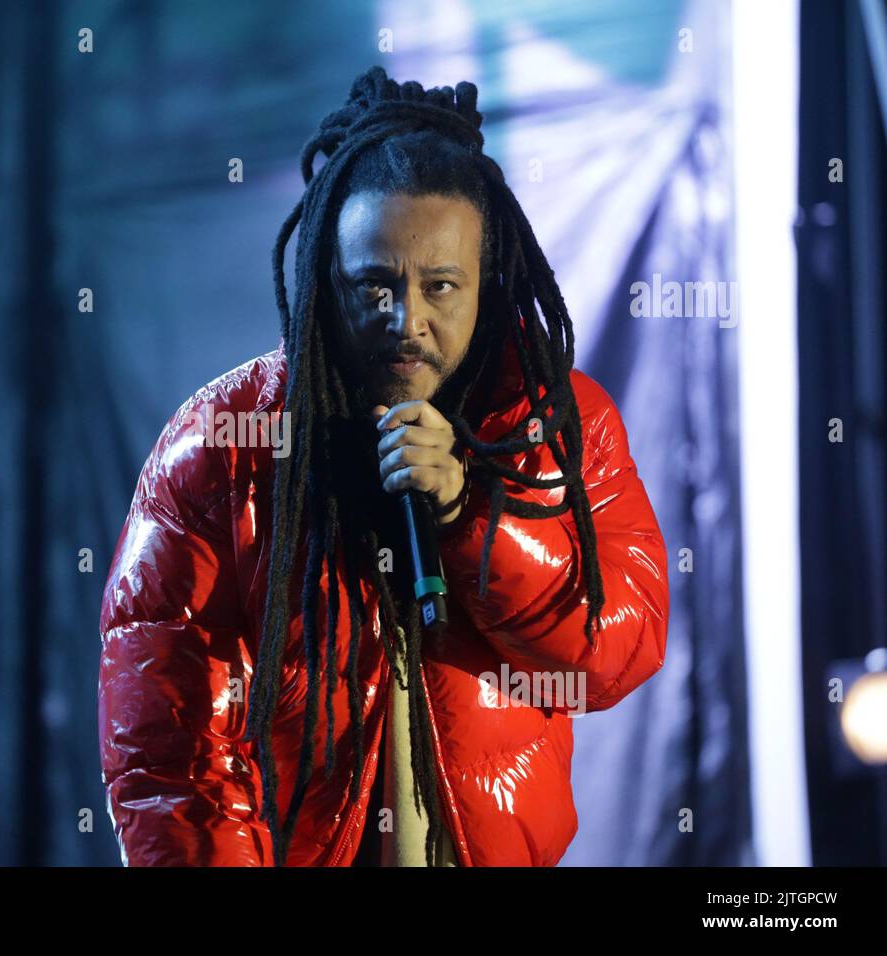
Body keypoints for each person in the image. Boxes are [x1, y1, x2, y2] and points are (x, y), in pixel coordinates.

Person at [97, 66, 669, 867]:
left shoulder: (556, 424)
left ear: (487, 281)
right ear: (326, 282)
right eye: (375, 287)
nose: (409, 321)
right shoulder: (222, 447)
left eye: (441, 286)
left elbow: (619, 646)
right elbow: (168, 754)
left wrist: (472, 515)